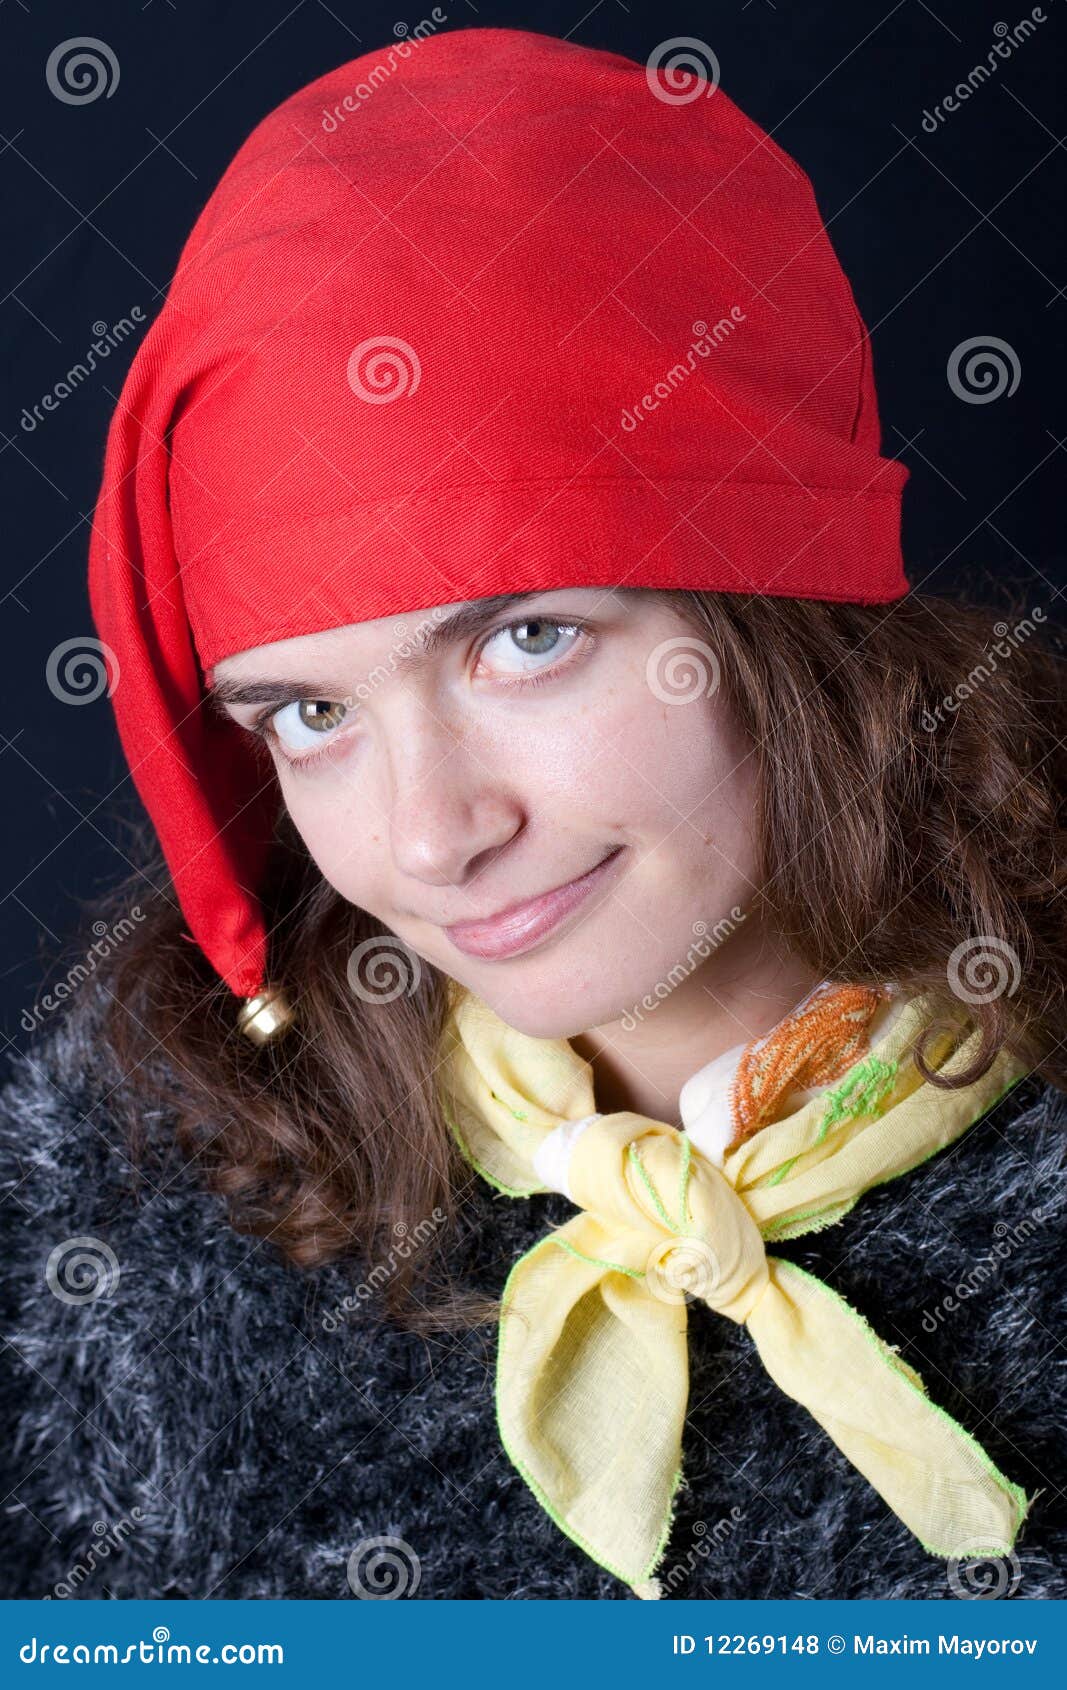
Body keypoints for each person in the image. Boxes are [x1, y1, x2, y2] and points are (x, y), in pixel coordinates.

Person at [2, 25, 1065, 1602]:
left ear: (782, 602)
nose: (430, 838)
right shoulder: (138, 1185)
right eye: (311, 714)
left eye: (526, 639)